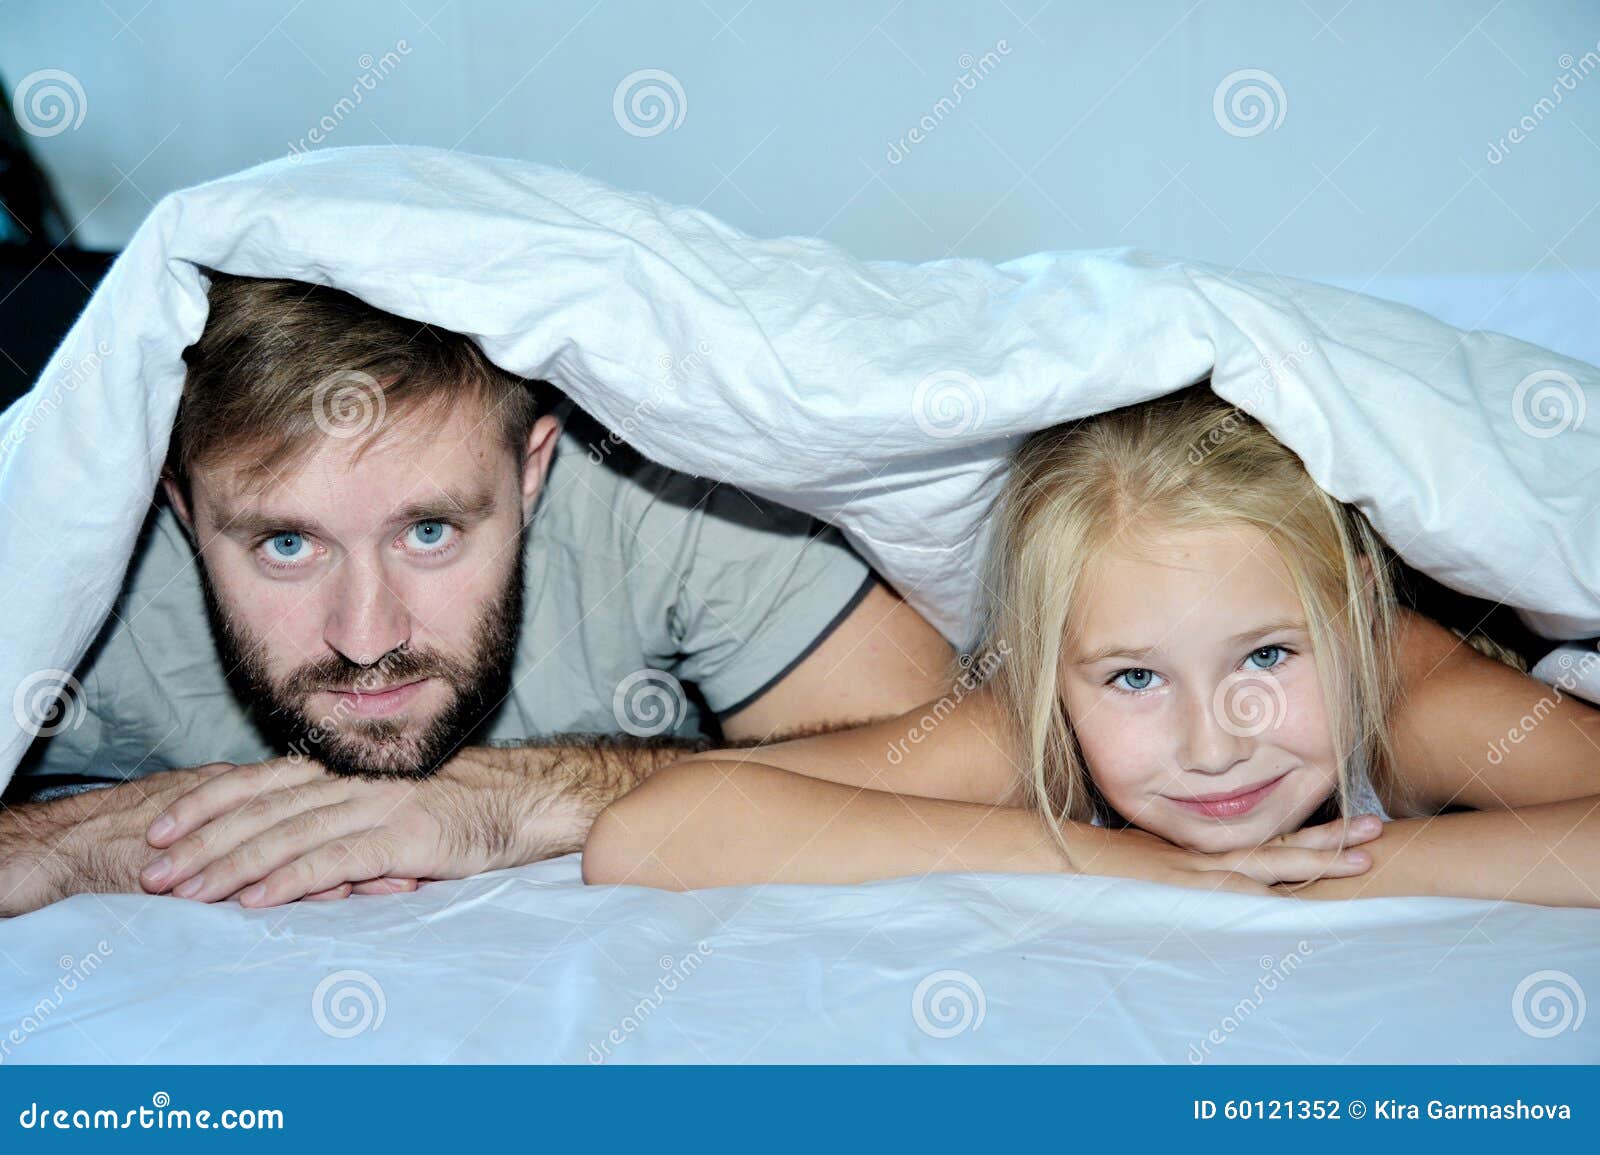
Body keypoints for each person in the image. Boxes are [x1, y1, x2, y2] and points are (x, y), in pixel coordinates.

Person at [0, 274, 956, 915]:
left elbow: (980, 756)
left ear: (532, 469)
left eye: (430, 532)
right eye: (286, 544)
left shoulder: (661, 490)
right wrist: (62, 842)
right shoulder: (66, 546)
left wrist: (523, 800)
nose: (367, 636)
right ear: (176, 500)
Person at [583, 386, 1600, 907]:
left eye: (1265, 658)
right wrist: (1118, 864)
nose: (1210, 746)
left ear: (1360, 613)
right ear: (1047, 664)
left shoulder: (1402, 690)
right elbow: (657, 834)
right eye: (1134, 677)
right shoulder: (1038, 721)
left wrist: (1325, 875)